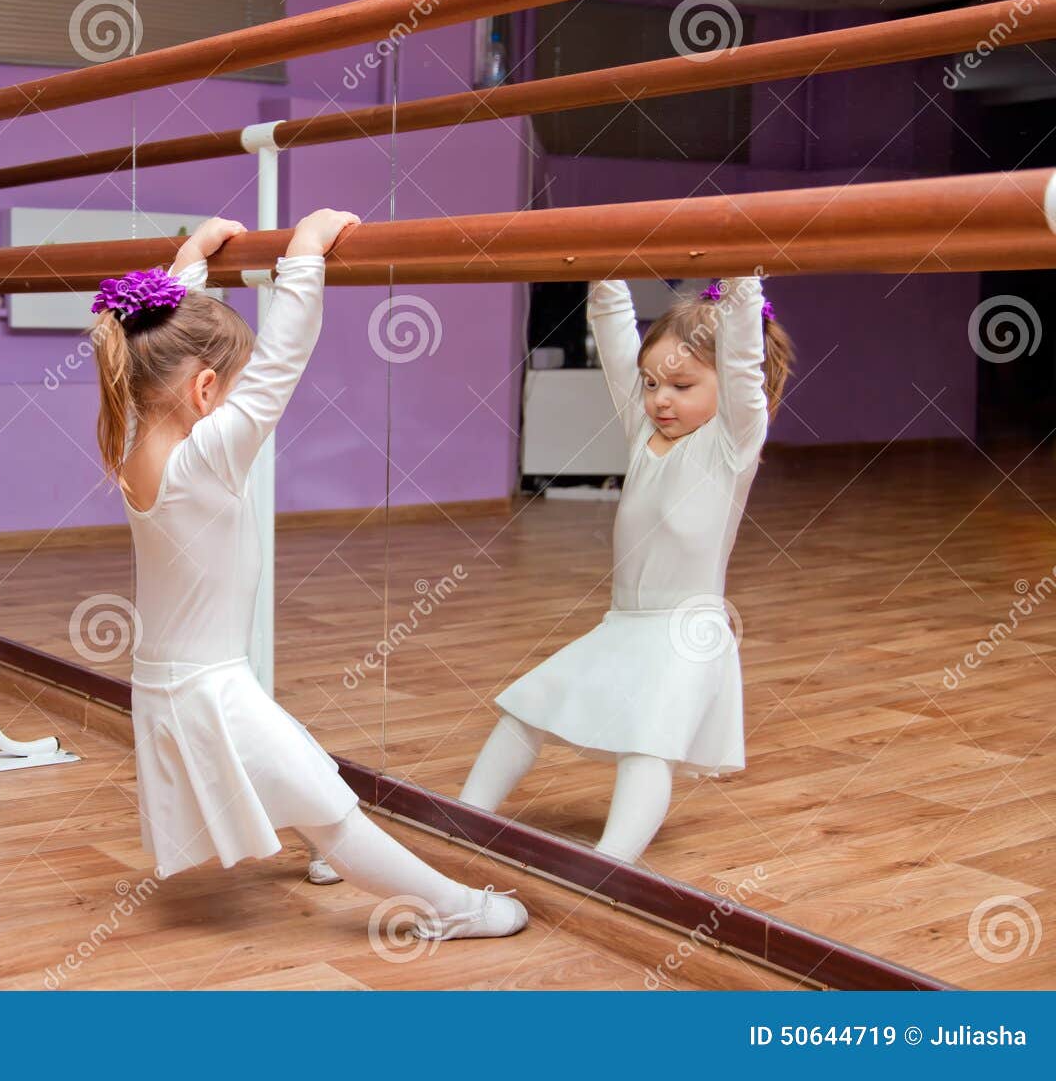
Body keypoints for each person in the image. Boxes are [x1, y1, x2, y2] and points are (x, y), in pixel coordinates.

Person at [89, 212, 528, 941]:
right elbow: (278, 367)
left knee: (297, 765)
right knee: (334, 808)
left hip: (174, 680)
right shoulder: (205, 457)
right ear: (204, 392)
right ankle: (452, 908)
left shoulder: (138, 438)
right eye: (225, 389)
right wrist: (302, 259)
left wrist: (190, 261)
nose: (238, 402)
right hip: (211, 687)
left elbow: (161, 339)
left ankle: (327, 845)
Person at [459, 275, 794, 862]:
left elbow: (743, 362)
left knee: (649, 744)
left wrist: (742, 280)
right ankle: (466, 814)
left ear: (733, 391)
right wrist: (606, 273)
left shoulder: (731, 443)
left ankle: (611, 861)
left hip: (686, 631)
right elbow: (615, 341)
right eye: (652, 384)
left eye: (682, 385)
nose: (661, 398)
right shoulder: (644, 434)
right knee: (526, 708)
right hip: (624, 624)